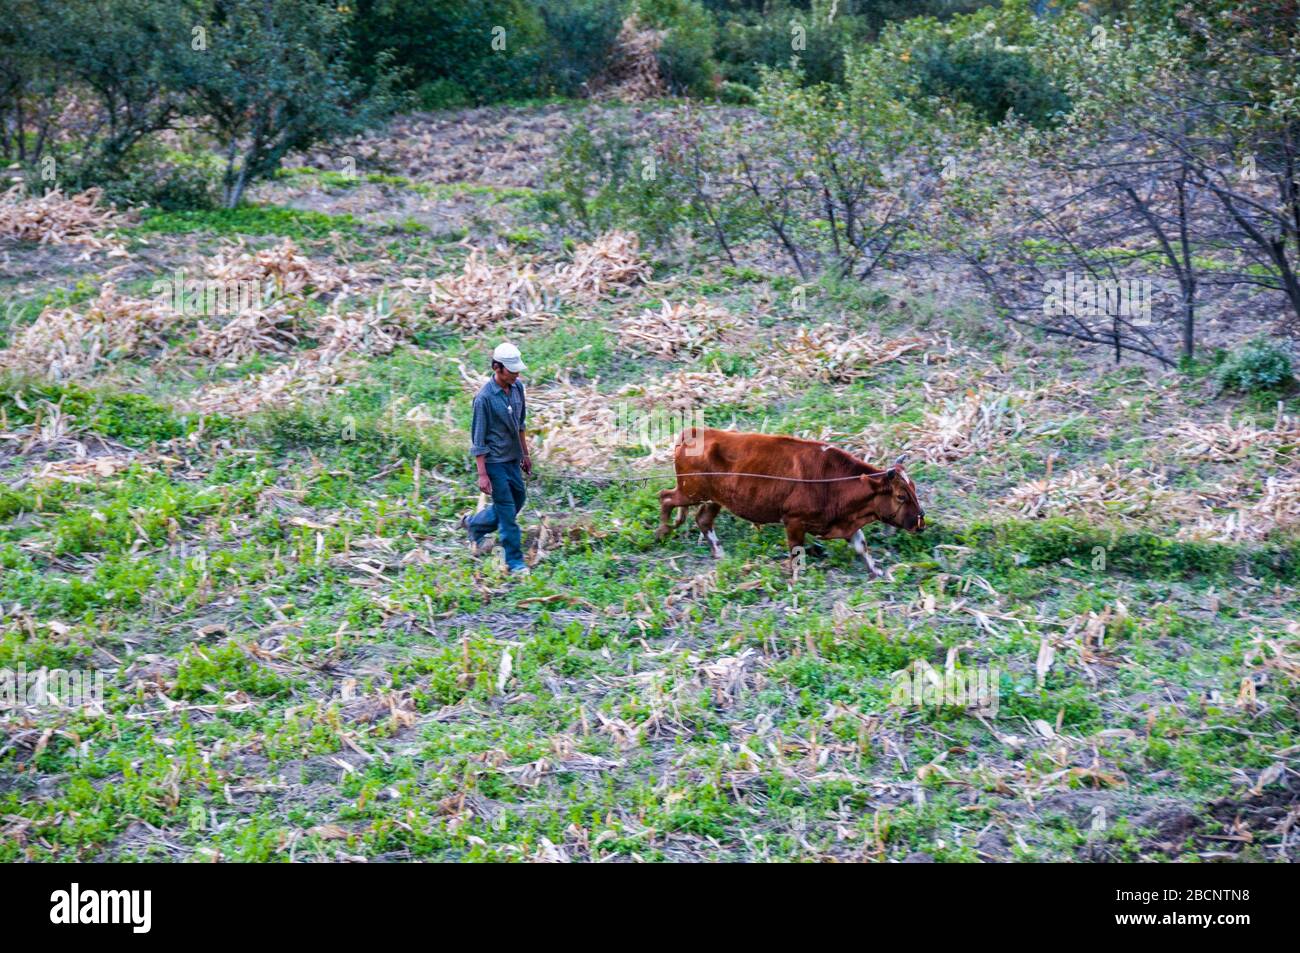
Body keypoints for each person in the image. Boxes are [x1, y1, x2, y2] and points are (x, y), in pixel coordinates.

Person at [460, 342, 532, 574]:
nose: (517, 374)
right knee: (507, 511)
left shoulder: (518, 388)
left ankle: (474, 524)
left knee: (518, 500)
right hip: (494, 462)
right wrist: (483, 474)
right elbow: (478, 440)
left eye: (517, 370)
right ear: (497, 368)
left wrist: (525, 453)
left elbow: (520, 424)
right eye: (512, 370)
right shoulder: (484, 399)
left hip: (512, 459)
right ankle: (514, 561)